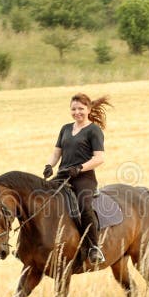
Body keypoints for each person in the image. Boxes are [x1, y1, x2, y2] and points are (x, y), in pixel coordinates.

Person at [43, 93, 112, 265]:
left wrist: (80, 168)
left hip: (84, 178)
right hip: (63, 176)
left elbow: (99, 158)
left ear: (88, 109)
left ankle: (94, 248)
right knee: (42, 201)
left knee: (84, 207)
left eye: (81, 109)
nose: (77, 112)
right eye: (73, 109)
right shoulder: (65, 128)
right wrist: (49, 165)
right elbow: (57, 152)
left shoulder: (94, 130)